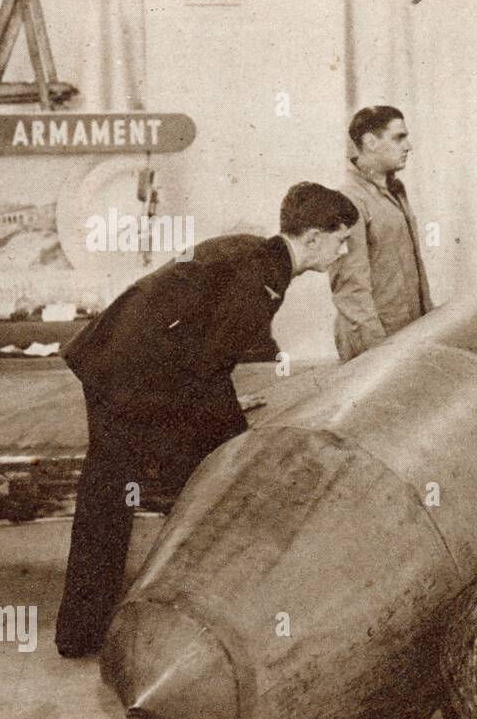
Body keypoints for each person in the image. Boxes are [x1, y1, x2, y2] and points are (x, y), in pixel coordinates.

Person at [56, 182, 358, 657]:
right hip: (128, 372)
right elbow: (207, 371)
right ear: (315, 238)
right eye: (341, 239)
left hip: (121, 360)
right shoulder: (259, 274)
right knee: (168, 489)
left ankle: (87, 632)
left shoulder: (262, 260)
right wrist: (238, 441)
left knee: (119, 495)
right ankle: (174, 624)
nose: (344, 250)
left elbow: (220, 346)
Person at [330, 105, 433, 362]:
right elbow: (350, 290)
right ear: (370, 142)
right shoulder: (349, 199)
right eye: (399, 138)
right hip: (377, 344)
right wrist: (378, 354)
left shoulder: (395, 189)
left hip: (409, 334)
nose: (408, 146)